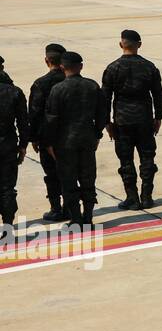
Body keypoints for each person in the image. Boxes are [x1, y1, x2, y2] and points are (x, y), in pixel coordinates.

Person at [100, 29, 162, 210]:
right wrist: (158, 116)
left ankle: (132, 197)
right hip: (144, 118)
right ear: (139, 45)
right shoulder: (149, 67)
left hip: (122, 120)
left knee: (125, 160)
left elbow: (105, 98)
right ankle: (147, 196)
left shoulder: (112, 68)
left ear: (121, 44)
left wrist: (106, 122)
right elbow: (158, 94)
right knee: (147, 157)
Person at [46, 51, 107, 225]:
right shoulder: (92, 86)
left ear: (62, 67)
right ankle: (88, 217)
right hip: (87, 139)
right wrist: (97, 133)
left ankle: (75, 218)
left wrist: (49, 142)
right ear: (81, 66)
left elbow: (52, 119)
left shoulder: (57, 89)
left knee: (69, 181)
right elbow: (102, 113)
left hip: (65, 142)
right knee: (88, 180)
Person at [28, 43, 67, 221]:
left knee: (51, 175)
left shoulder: (40, 84)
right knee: (70, 172)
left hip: (47, 137)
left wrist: (33, 138)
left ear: (46, 60)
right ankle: (70, 207)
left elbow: (34, 113)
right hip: (70, 135)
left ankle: (56, 208)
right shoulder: (70, 80)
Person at [0, 60, 30, 230]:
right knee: (7, 187)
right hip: (7, 146)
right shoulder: (14, 92)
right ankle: (8, 225)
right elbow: (23, 122)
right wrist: (23, 145)